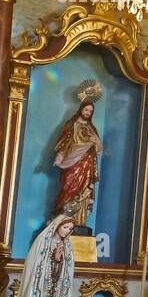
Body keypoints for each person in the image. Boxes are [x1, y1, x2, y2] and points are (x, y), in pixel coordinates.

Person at [53, 81, 103, 229]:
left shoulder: (91, 128)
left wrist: (95, 142)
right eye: (86, 110)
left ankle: (79, 221)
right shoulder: (71, 124)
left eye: (90, 111)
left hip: (87, 163)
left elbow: (99, 149)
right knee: (68, 187)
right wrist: (59, 157)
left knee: (83, 191)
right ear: (81, 109)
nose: (87, 113)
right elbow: (63, 144)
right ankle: (64, 219)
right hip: (71, 163)